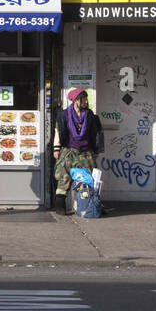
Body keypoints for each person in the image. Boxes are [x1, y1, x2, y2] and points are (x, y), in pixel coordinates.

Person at [52, 87, 104, 216]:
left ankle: (93, 207)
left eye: (86, 99)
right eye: (84, 99)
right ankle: (60, 207)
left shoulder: (90, 115)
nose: (86, 102)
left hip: (86, 152)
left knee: (90, 179)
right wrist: (56, 149)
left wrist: (97, 149)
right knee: (63, 178)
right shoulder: (63, 115)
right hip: (68, 151)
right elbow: (58, 132)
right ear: (76, 100)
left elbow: (96, 133)